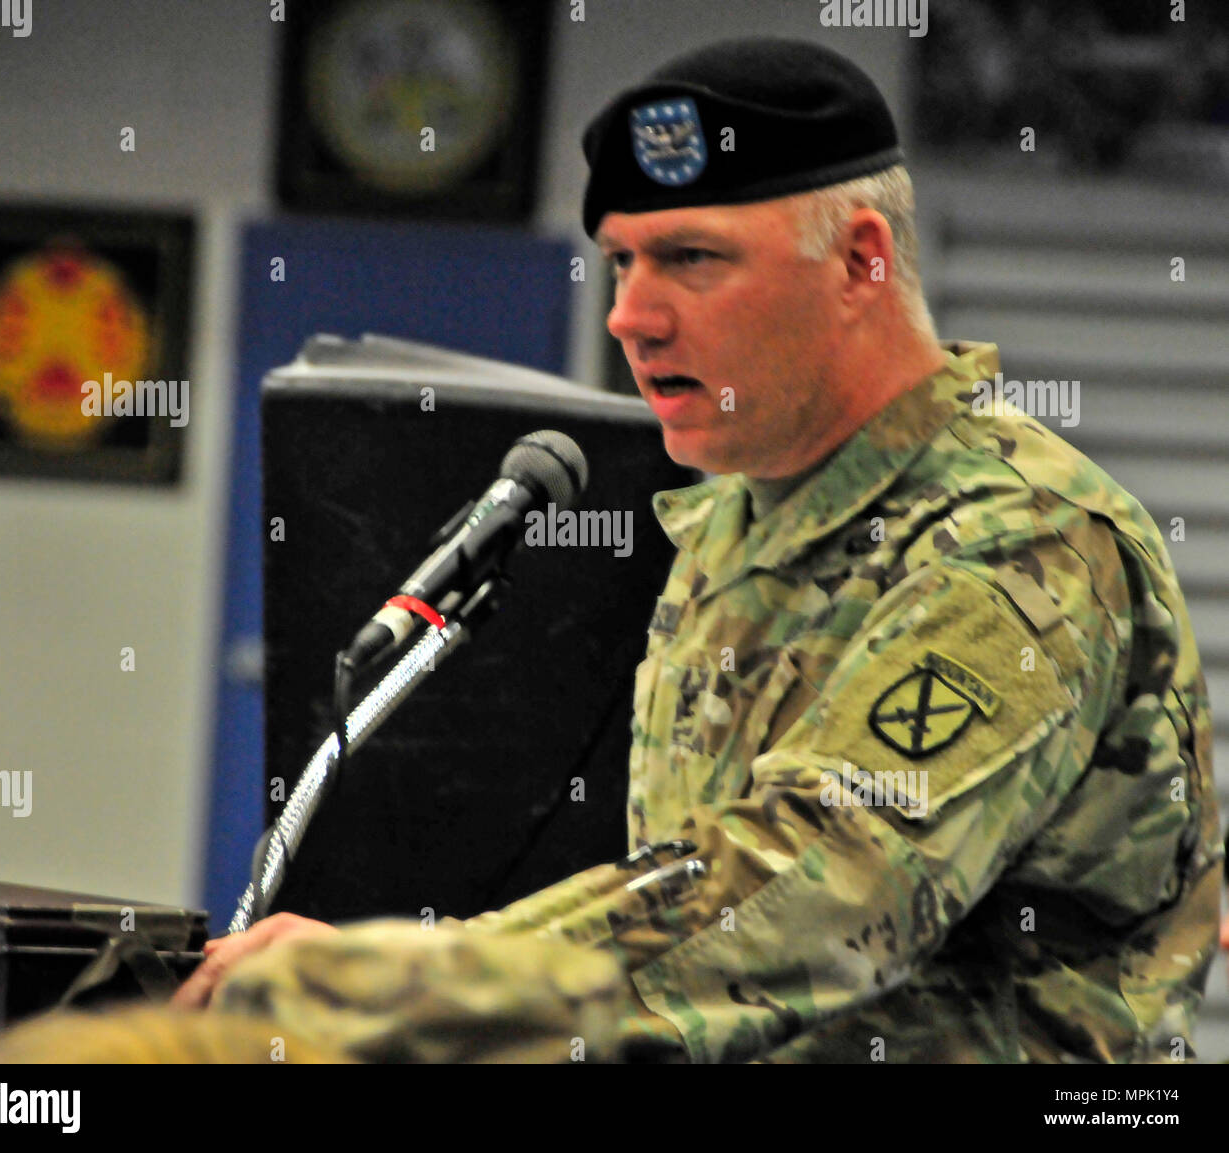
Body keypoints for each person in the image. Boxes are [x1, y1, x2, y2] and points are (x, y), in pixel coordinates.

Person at [175, 38, 1220, 1063]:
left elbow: (817, 889)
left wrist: (426, 982)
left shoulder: (1021, 542)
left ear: (861, 258)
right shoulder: (730, 522)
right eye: (622, 260)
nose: (631, 315)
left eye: (691, 258)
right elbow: (679, 899)